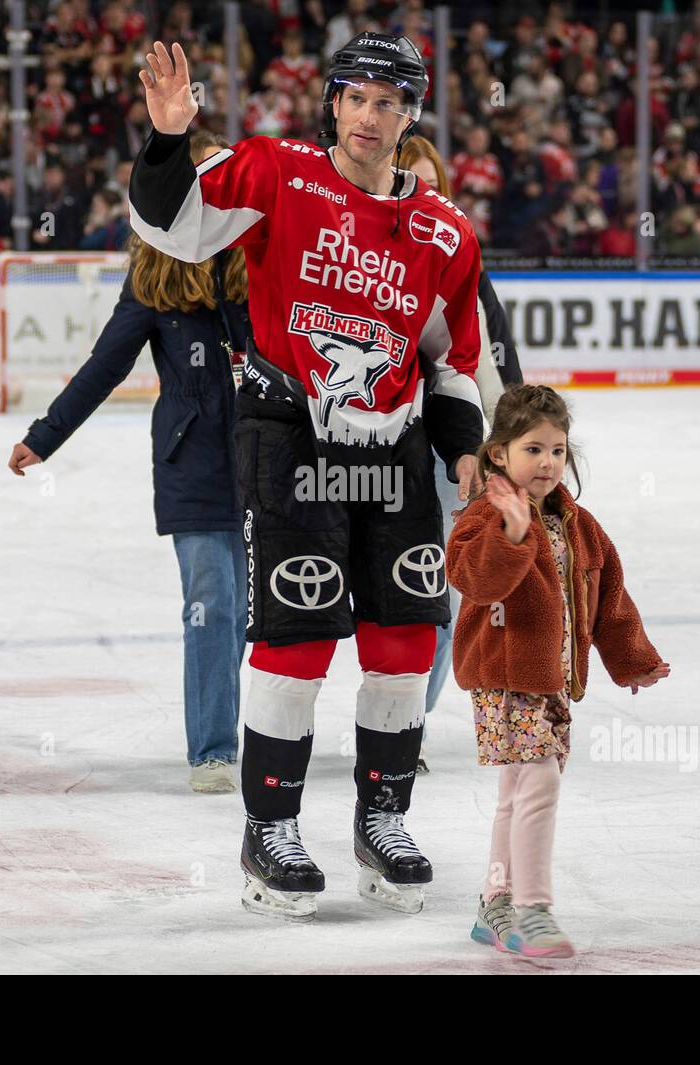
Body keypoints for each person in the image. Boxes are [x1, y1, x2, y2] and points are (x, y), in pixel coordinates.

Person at [130, 34, 486, 921]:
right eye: (356, 99)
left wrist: (466, 448)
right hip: (292, 436)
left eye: (389, 103)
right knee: (296, 639)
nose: (370, 118)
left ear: (412, 115)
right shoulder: (277, 173)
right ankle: (271, 828)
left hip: (395, 447)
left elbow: (452, 360)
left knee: (405, 641)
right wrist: (170, 140)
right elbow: (167, 225)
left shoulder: (445, 229)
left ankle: (383, 817)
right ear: (332, 102)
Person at [8, 131, 251, 795]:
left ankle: (226, 730)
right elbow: (106, 364)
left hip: (260, 463)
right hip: (193, 460)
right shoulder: (152, 282)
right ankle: (212, 750)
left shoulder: (253, 264)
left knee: (243, 611)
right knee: (211, 600)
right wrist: (46, 434)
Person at [447, 385, 670, 956]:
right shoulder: (484, 516)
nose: (547, 462)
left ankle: (495, 903)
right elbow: (476, 580)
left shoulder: (580, 524)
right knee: (539, 781)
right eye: (533, 449)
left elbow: (609, 600)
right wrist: (512, 534)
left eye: (558, 450)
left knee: (518, 790)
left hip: (552, 681)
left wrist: (633, 661)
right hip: (505, 673)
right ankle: (533, 911)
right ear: (499, 454)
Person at [396, 133, 522, 765]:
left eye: (431, 185)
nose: (423, 197)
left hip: (455, 457)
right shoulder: (361, 266)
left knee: (443, 596)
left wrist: (516, 446)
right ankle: (382, 712)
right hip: (375, 456)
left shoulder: (464, 262)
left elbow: (498, 364)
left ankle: (407, 725)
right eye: (409, 183)